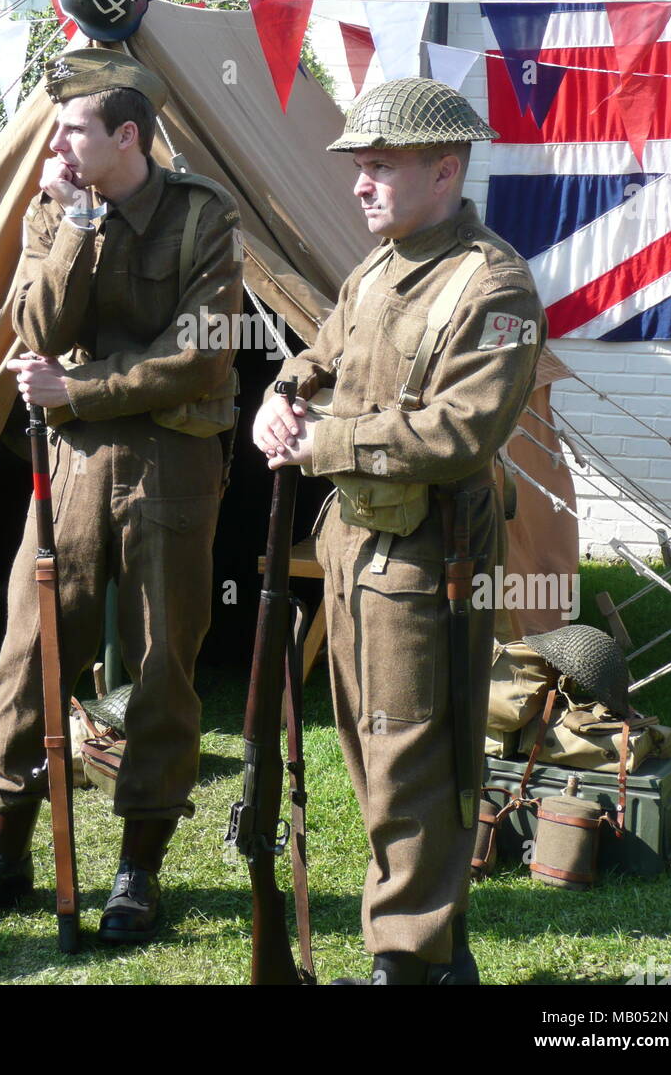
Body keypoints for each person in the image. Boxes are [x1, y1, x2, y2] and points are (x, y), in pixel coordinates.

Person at [0, 46, 243, 944]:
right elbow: (40, 326)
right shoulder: (50, 211)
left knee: (160, 665)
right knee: (28, 658)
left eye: (71, 129)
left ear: (127, 136)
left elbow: (204, 352)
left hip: (169, 467)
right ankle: (5, 853)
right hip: (66, 468)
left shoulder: (201, 219)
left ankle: (137, 870)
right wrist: (72, 226)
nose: (54, 144)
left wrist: (83, 390)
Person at [252, 77, 546, 985]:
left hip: (430, 557)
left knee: (415, 750)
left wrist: (323, 439)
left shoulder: (492, 286)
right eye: (359, 168)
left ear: (443, 170)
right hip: (355, 544)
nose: (358, 185)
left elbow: (463, 432)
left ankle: (407, 963)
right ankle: (439, 951)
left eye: (378, 167)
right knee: (367, 743)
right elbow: (326, 352)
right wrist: (281, 394)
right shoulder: (376, 267)